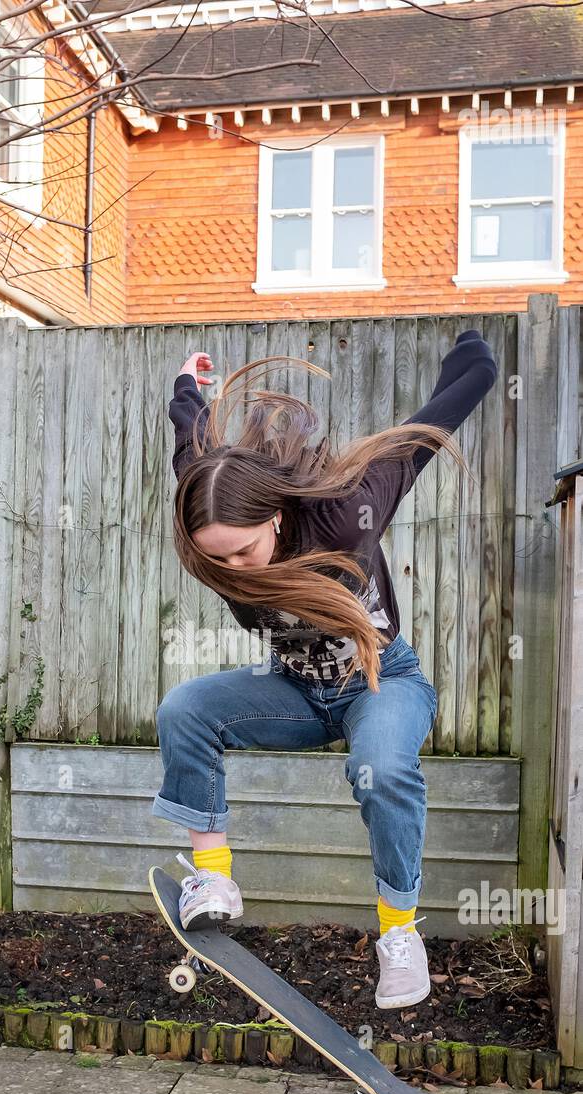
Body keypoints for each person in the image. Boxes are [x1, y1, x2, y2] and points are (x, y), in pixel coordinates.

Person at [152, 333, 498, 1009]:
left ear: (276, 518)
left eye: (243, 552)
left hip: (383, 683)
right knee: (184, 708)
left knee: (384, 766)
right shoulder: (213, 504)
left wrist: (473, 357)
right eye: (213, 559)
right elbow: (190, 437)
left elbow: (423, 432)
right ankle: (213, 879)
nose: (230, 570)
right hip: (294, 691)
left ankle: (399, 935)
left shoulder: (348, 511)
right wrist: (187, 385)